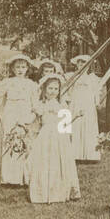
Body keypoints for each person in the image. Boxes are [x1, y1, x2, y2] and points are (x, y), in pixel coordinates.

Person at [27, 73, 80, 204]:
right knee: (44, 161)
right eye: (50, 88)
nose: (53, 91)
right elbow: (33, 119)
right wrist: (23, 123)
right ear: (44, 89)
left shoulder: (61, 105)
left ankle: (58, 192)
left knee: (59, 161)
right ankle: (43, 192)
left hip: (59, 136)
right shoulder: (41, 105)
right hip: (45, 135)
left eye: (56, 89)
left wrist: (76, 115)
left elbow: (66, 123)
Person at [0, 53, 38, 185]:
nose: (20, 70)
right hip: (10, 113)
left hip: (25, 113)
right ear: (13, 69)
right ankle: (7, 177)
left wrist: (31, 117)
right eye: (17, 67)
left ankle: (23, 176)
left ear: (27, 68)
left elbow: (35, 103)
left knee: (24, 141)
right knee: (9, 140)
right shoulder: (8, 82)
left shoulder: (31, 84)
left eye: (23, 67)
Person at [66, 55, 103, 162]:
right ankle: (74, 153)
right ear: (76, 65)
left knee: (88, 126)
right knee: (75, 125)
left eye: (84, 63)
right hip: (76, 103)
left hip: (88, 104)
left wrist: (97, 102)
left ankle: (90, 154)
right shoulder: (72, 77)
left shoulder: (92, 78)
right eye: (80, 63)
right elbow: (69, 91)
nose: (82, 65)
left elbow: (96, 91)